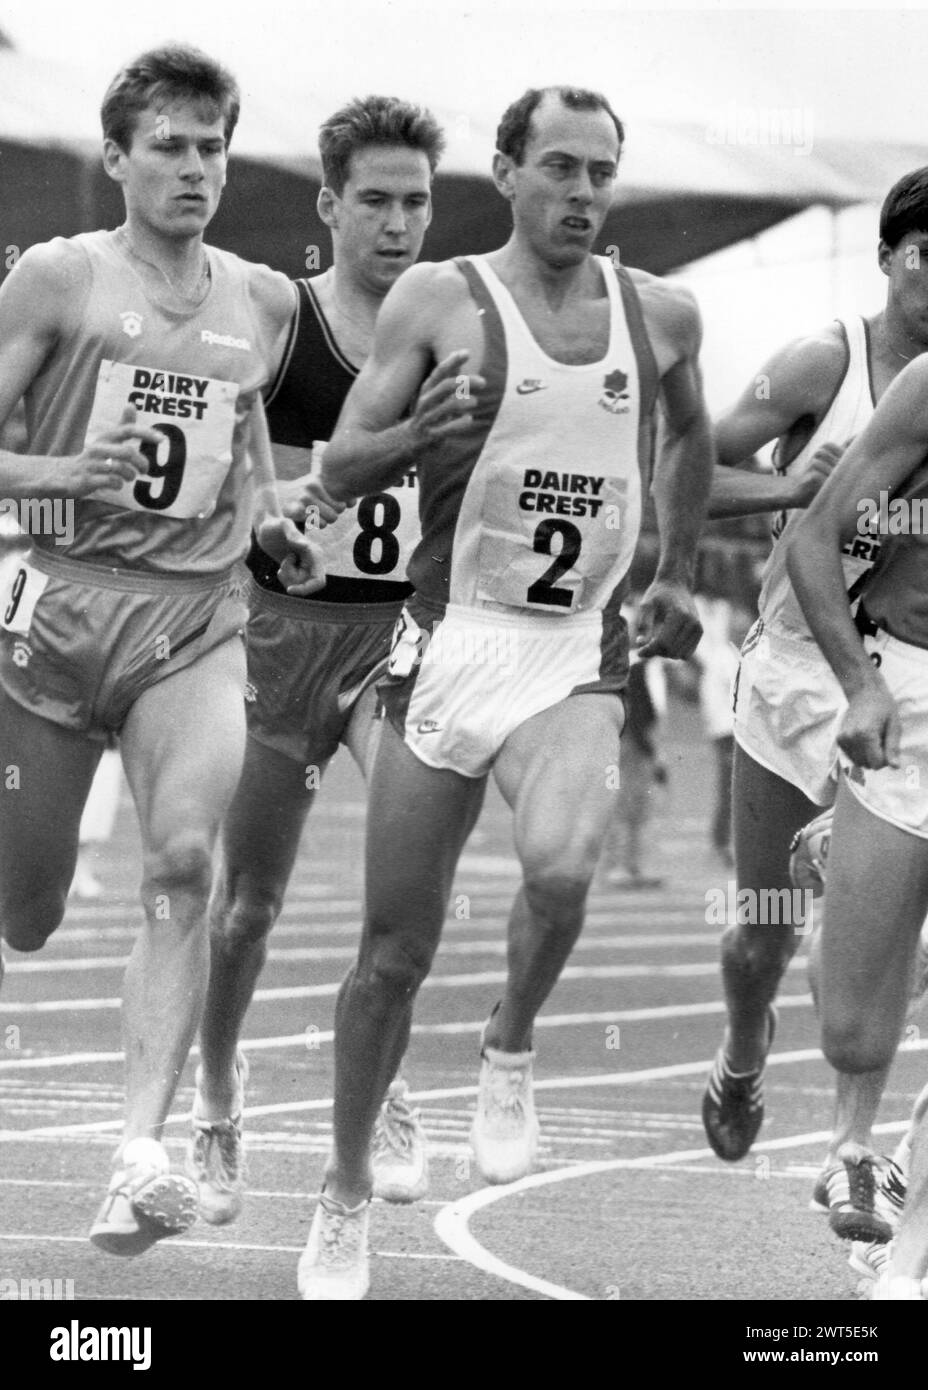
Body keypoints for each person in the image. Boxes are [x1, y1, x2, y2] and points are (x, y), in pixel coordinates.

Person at [298, 84, 714, 1299]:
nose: (583, 193)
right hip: (451, 641)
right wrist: (417, 429)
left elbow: (688, 437)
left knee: (565, 864)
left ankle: (510, 1044)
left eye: (601, 172)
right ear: (506, 172)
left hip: (573, 649)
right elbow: (339, 464)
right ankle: (339, 1192)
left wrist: (679, 569)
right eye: (561, 169)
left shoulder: (664, 316)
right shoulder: (442, 300)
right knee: (392, 952)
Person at [0, 44, 321, 1257]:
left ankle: (140, 1156)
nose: (196, 168)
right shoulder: (58, 278)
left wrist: (275, 525)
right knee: (23, 915)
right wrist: (51, 472)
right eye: (172, 147)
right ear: (118, 159)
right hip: (57, 610)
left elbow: (239, 450)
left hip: (193, 622)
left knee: (185, 859)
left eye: (213, 146)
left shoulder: (261, 299)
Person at [190, 96, 446, 1225]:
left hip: (396, 639)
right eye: (377, 201)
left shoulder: (457, 328)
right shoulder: (279, 310)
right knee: (247, 907)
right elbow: (175, 279)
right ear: (330, 205)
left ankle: (388, 1087)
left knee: (405, 895)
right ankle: (215, 1096)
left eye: (418, 202)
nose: (399, 225)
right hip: (280, 635)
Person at [700, 169, 928, 1241]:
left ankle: (856, 1142)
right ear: (886, 255)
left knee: (866, 902)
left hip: (881, 671)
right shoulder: (824, 362)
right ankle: (742, 1057)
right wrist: (793, 489)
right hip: (798, 657)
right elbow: (693, 472)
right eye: (926, 251)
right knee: (762, 931)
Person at [786, 346, 928, 1297]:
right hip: (910, 694)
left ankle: (909, 1266)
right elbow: (813, 539)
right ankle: (839, 878)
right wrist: (860, 685)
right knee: (853, 1033)